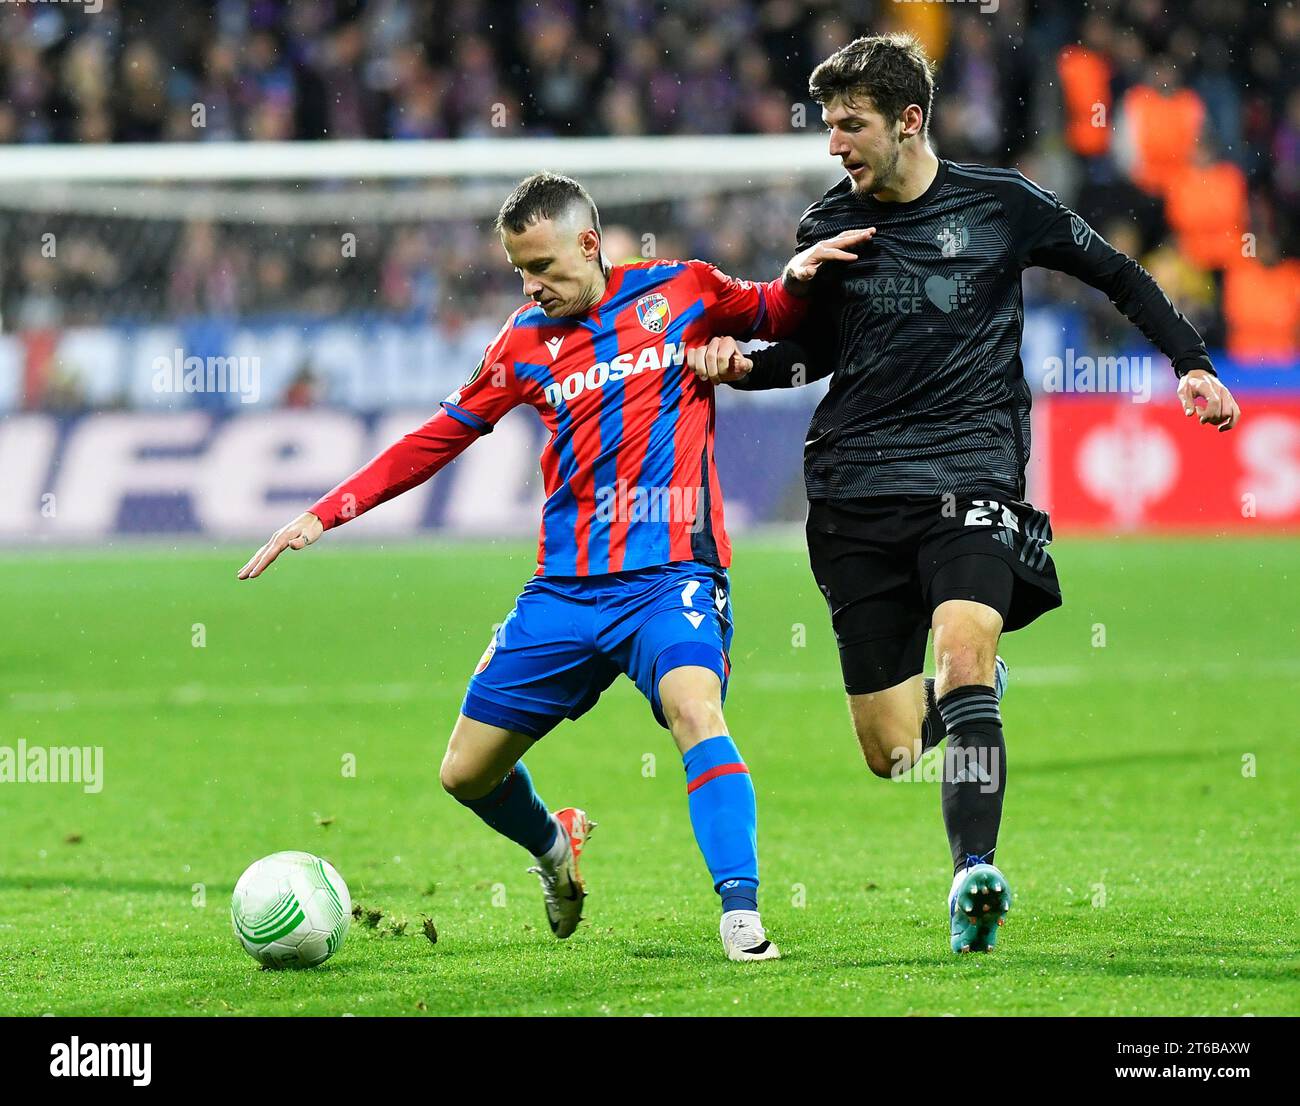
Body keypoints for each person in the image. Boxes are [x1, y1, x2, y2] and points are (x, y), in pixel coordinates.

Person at [689, 33, 1241, 954]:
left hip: (972, 473)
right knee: (893, 751)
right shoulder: (827, 227)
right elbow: (814, 354)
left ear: (910, 121)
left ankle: (970, 878)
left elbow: (1116, 272)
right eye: (828, 126)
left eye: (850, 124)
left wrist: (1190, 363)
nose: (834, 144)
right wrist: (738, 366)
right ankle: (964, 697)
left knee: (964, 647)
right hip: (855, 490)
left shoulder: (1002, 205)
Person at [238, 171, 872, 961]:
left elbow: (778, 312)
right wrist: (324, 511)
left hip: (671, 575)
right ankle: (554, 850)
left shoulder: (683, 291)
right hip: (564, 591)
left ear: (589, 243)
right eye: (519, 271)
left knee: (695, 710)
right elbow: (436, 438)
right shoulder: (519, 345)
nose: (532, 285)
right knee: (465, 775)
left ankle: (739, 914)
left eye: (543, 266)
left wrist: (799, 276)